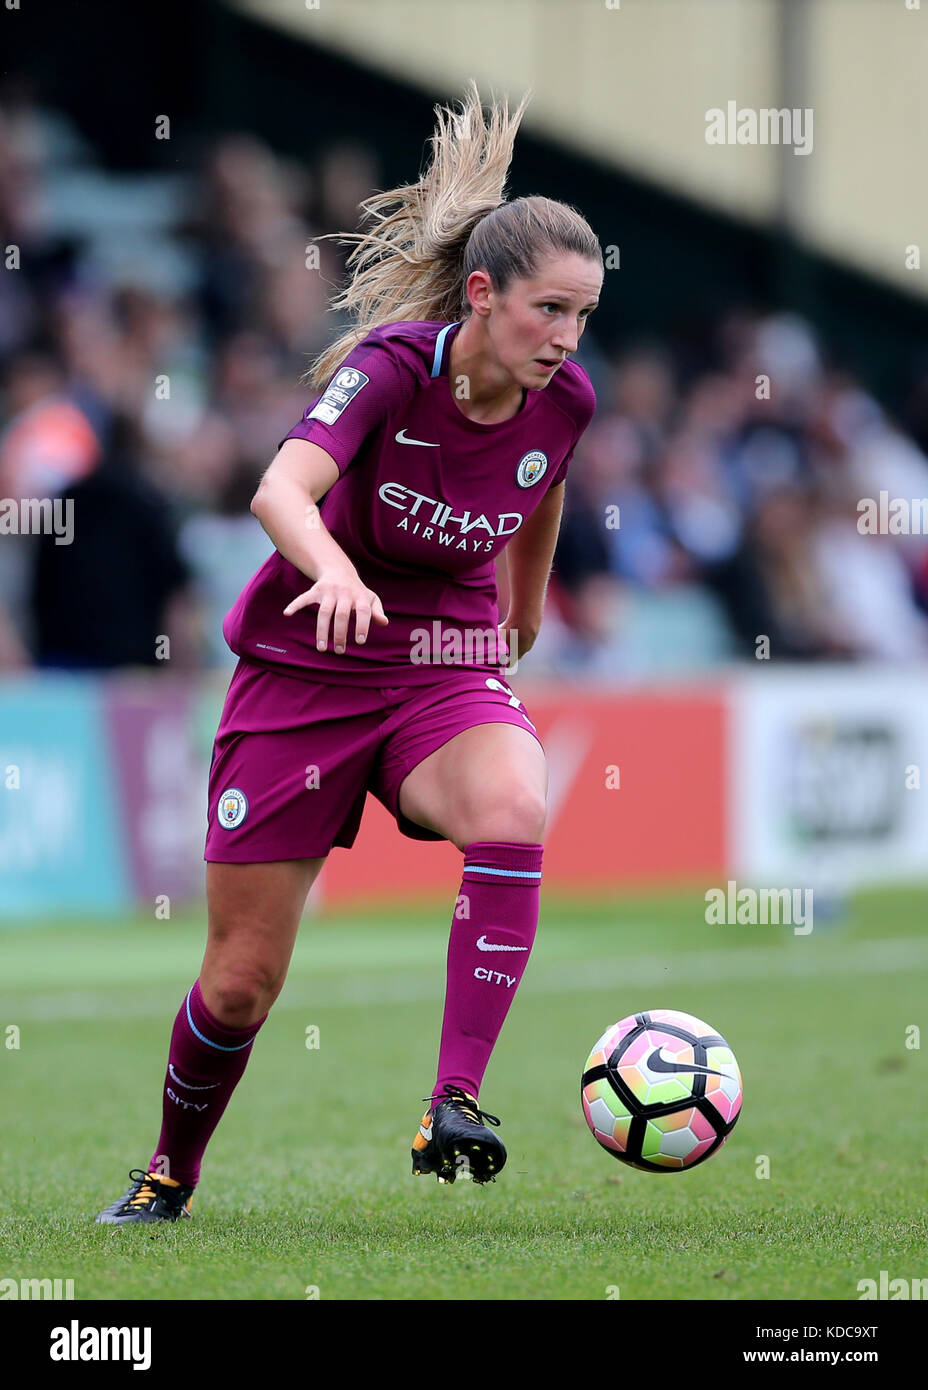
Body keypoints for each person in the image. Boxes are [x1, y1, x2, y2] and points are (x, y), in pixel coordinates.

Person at [96, 81, 602, 1223]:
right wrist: (328, 568)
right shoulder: (390, 369)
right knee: (239, 984)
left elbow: (542, 491)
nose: (566, 339)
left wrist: (521, 615)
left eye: (584, 316)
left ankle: (455, 1098)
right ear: (480, 295)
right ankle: (170, 1168)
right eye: (548, 311)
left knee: (515, 805)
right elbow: (282, 488)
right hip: (307, 672)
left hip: (441, 667)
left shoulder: (564, 397)